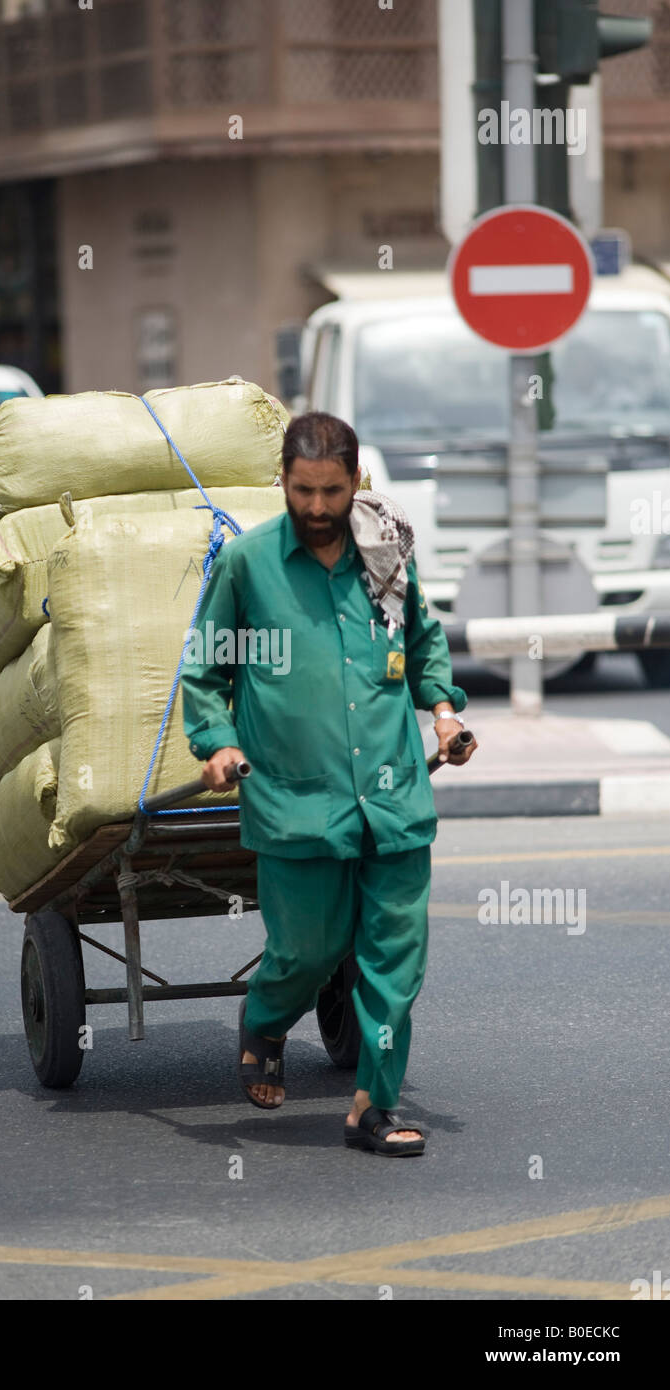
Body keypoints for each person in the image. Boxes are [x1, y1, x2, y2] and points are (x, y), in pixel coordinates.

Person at [180, 412, 477, 1155]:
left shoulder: (387, 558)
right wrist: (215, 742)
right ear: (281, 481)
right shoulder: (249, 566)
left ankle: (372, 1107)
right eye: (303, 490)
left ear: (355, 485)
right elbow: (205, 671)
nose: (316, 507)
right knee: (308, 952)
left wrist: (442, 715)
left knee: (393, 963)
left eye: (332, 491)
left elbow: (423, 642)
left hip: (393, 801)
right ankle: (268, 1017)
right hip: (295, 803)